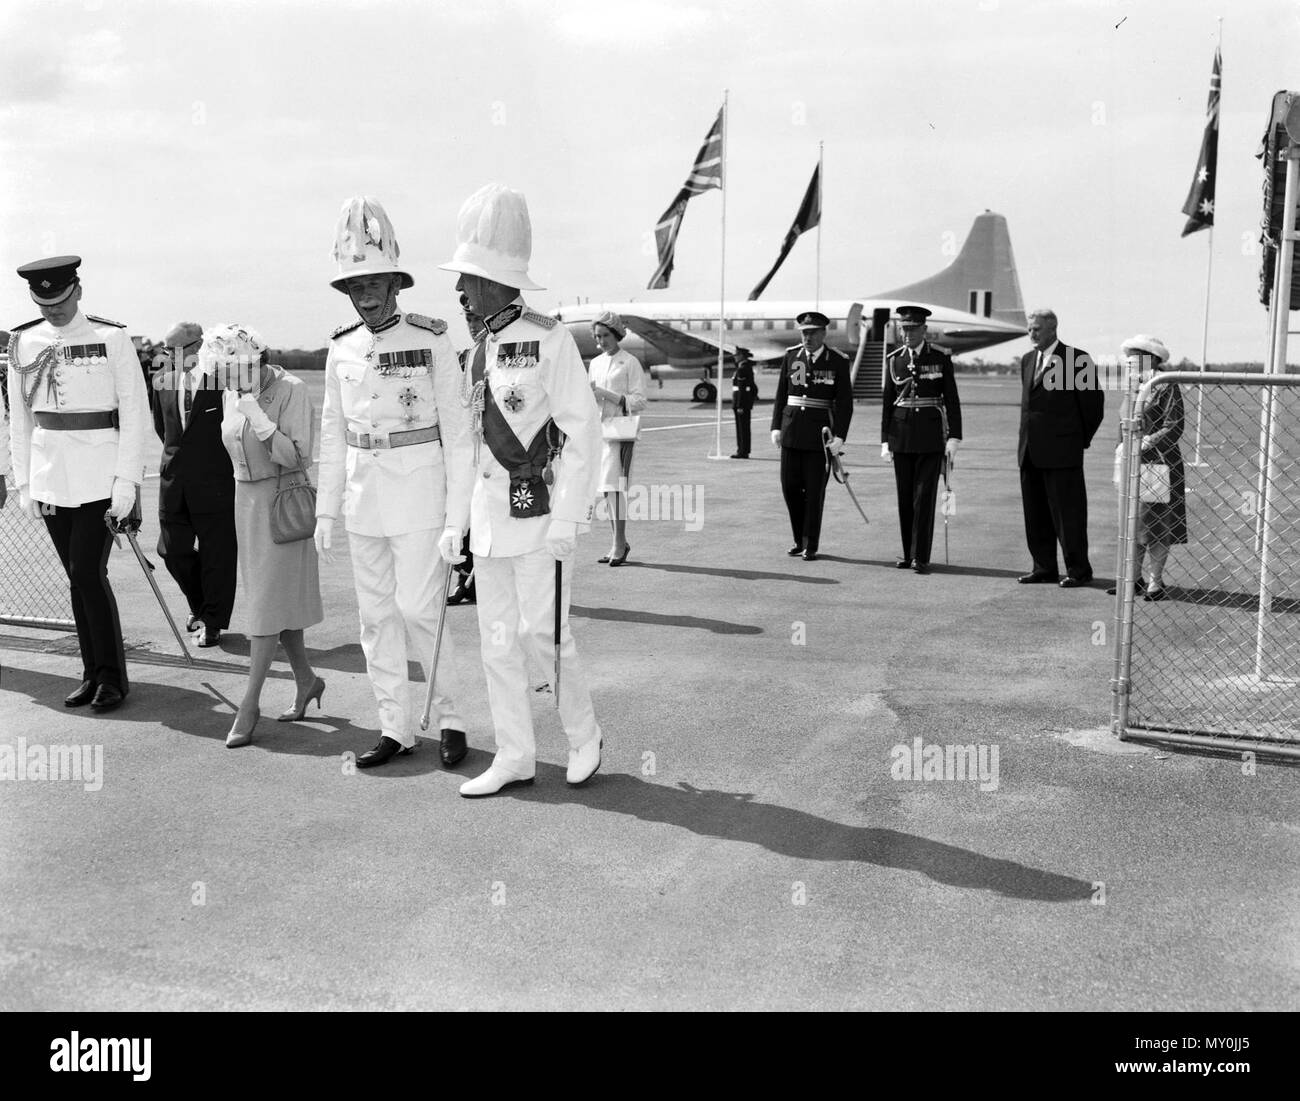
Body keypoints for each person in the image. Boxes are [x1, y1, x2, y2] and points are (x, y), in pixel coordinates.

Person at [439, 181, 604, 798]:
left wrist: (569, 517)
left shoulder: (551, 338)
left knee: (546, 635)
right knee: (497, 643)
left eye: (467, 279)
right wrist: (454, 522)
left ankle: (583, 736)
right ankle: (515, 753)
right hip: (488, 521)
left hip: (539, 518)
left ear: (495, 282)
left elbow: (582, 430)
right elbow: (464, 448)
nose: (458, 290)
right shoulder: (474, 352)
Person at [314, 196, 474, 770]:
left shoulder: (431, 340)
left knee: (419, 610)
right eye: (355, 284)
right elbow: (333, 432)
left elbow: (459, 436)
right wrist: (325, 510)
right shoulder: (340, 348)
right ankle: (395, 727)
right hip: (363, 501)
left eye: (375, 280)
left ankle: (451, 717)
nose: (366, 292)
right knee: (375, 618)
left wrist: (460, 520)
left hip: (420, 497)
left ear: (395, 282)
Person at [5, 256, 148, 711]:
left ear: (78, 291)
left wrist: (127, 482)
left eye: (61, 301)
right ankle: (91, 673)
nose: (54, 311)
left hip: (99, 476)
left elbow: (134, 414)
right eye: (44, 304)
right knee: (75, 576)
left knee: (88, 571)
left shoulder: (111, 338)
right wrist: (24, 482)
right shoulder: (24, 341)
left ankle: (111, 678)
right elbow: (20, 419)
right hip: (51, 476)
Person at [214, 323, 324, 747]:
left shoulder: (291, 389)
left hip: (282, 502)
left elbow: (299, 456)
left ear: (258, 359)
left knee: (263, 610)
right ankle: (307, 680)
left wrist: (259, 420)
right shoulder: (231, 390)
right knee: (276, 604)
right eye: (224, 372)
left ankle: (249, 704)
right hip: (248, 503)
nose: (229, 379)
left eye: (237, 368)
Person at [151, 322, 237, 647]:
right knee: (171, 550)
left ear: (197, 345)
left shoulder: (223, 380)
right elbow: (164, 429)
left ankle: (213, 622)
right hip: (174, 482)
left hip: (215, 482)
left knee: (218, 555)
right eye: (166, 350)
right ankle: (200, 605)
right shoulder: (162, 381)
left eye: (175, 349)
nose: (169, 355)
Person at [1017, 308, 1104, 588]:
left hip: (1063, 453)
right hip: (1030, 452)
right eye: (1030, 329)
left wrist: (1077, 441)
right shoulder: (1028, 360)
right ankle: (1043, 567)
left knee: (1069, 516)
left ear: (1053, 329)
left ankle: (1078, 570)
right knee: (1035, 514)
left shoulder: (1075, 360)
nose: (1032, 334)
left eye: (1037, 330)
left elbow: (1093, 407)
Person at [880, 305, 962, 574]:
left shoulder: (939, 357)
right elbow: (888, 404)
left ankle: (921, 556)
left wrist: (954, 438)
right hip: (901, 436)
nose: (907, 334)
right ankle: (907, 553)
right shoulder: (894, 360)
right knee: (905, 497)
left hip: (930, 436)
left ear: (924, 330)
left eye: (913, 329)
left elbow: (951, 399)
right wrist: (884, 440)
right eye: (904, 329)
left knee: (923, 497)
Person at [769, 310, 853, 561]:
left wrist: (840, 436)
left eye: (812, 333)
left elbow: (845, 402)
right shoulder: (792, 356)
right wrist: (776, 427)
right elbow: (781, 395)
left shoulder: (836, 360)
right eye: (804, 333)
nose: (807, 337)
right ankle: (799, 538)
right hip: (792, 432)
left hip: (819, 437)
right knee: (790, 489)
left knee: (815, 492)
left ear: (823, 334)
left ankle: (811, 544)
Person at [1112, 334, 1186, 602]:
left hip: (1159, 464)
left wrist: (1148, 442)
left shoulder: (1165, 386)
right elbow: (1123, 423)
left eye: (1134, 355)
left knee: (1156, 524)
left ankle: (1156, 582)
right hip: (1131, 463)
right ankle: (1133, 579)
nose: (1129, 361)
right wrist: (1120, 451)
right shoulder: (1133, 385)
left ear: (1151, 358)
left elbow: (1174, 425)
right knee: (1132, 524)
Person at [588, 310, 646, 566]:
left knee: (616, 489)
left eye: (605, 336)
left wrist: (607, 394)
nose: (601, 341)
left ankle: (619, 544)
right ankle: (618, 543)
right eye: (598, 336)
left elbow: (639, 400)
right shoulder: (595, 363)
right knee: (606, 491)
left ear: (617, 334)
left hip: (621, 433)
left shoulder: (630, 362)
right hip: (599, 433)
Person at [730, 350, 758, 459]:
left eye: (736, 355)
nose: (735, 357)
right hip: (741, 401)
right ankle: (742, 449)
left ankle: (742, 451)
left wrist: (741, 404)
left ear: (741, 356)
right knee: (743, 427)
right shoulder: (744, 367)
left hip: (740, 402)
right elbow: (753, 387)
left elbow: (742, 388)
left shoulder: (743, 369)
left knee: (742, 428)